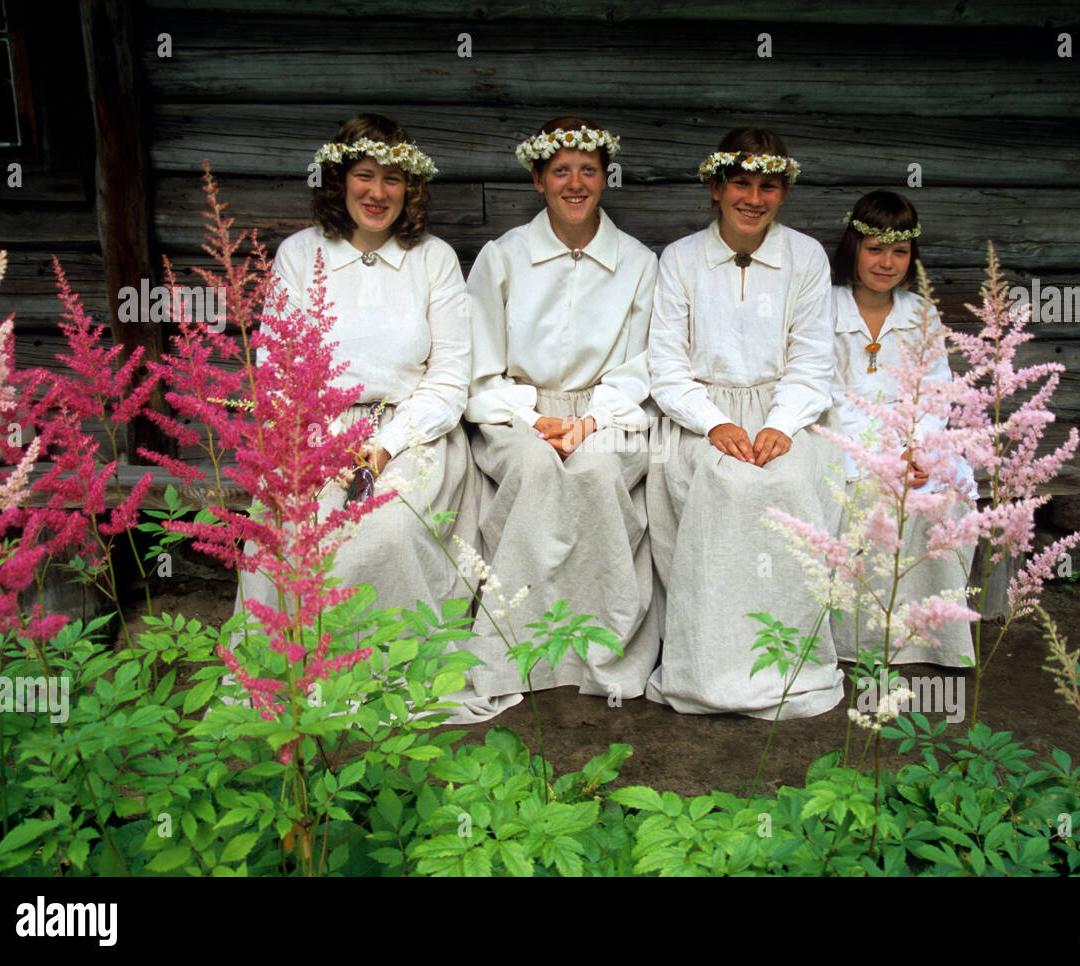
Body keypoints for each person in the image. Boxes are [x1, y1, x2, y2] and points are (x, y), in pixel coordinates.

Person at [235, 114, 476, 648]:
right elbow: (277, 365)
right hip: (310, 429)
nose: (377, 192)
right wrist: (314, 441)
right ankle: (297, 676)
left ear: (409, 189)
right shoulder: (300, 255)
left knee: (382, 531)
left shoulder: (433, 260)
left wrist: (384, 447)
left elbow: (451, 378)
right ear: (340, 179)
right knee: (300, 530)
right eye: (365, 175)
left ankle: (387, 676)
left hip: (410, 431)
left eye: (393, 179)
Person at [452, 117, 660, 721]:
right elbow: (479, 367)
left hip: (610, 412)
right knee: (538, 473)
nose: (576, 183)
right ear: (539, 178)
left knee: (595, 474)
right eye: (561, 170)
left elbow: (643, 364)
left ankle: (602, 648)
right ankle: (522, 650)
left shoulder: (638, 263)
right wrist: (532, 417)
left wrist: (593, 420)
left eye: (588, 170)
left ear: (605, 178)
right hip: (514, 413)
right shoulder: (504, 257)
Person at [645, 128, 846, 719]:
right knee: (728, 484)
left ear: (783, 192)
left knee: (785, 484)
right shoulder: (681, 258)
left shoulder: (804, 256)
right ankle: (711, 667)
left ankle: (789, 663)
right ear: (716, 186)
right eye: (741, 183)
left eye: (768, 186)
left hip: (785, 409)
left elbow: (812, 358)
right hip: (700, 414)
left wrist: (782, 424)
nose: (753, 198)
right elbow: (666, 363)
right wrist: (711, 422)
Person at [830, 189, 975, 667]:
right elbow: (822, 390)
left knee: (946, 488)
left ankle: (926, 636)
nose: (886, 262)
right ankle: (856, 640)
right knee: (860, 487)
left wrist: (916, 448)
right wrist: (878, 451)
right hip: (844, 432)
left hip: (911, 435)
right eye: (875, 249)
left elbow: (935, 389)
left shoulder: (921, 313)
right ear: (854, 247)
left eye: (899, 251)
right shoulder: (825, 308)